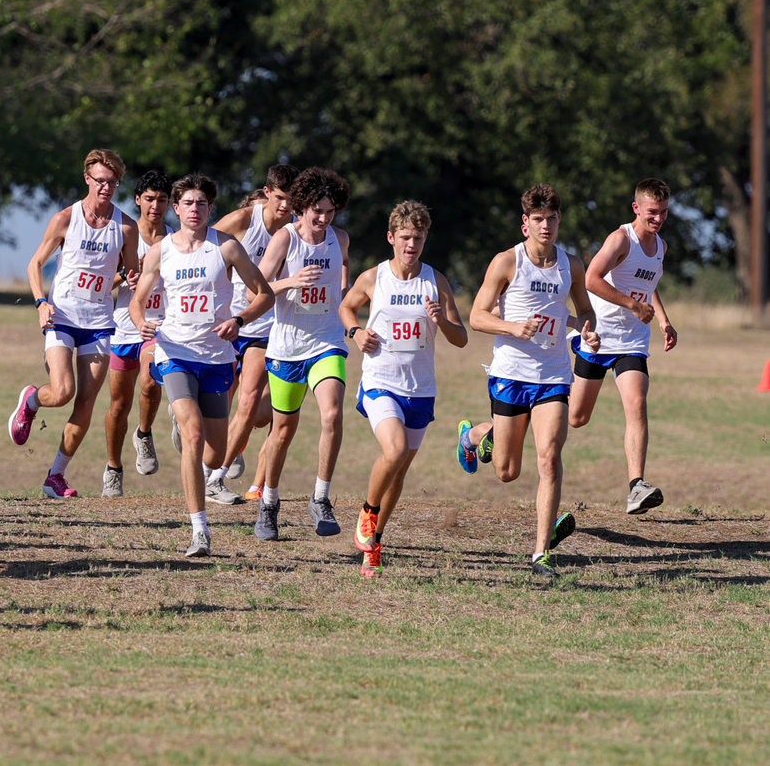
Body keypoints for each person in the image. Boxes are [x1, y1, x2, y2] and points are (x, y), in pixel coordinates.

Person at [456, 184, 599, 578]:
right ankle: (475, 436)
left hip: (553, 376)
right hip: (510, 374)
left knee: (550, 458)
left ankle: (541, 554)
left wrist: (586, 331)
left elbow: (584, 310)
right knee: (506, 470)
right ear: (525, 224)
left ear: (558, 221)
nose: (546, 225)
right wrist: (514, 329)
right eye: (538, 219)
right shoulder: (506, 262)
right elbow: (478, 316)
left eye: (552, 218)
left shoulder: (570, 265)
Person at [130, 173, 274, 556]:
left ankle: (187, 419)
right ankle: (199, 531)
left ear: (211, 209)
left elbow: (265, 294)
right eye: (188, 204)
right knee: (193, 437)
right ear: (176, 209)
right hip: (174, 350)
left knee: (215, 451)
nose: (195, 210)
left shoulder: (226, 247)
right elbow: (137, 300)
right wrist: (141, 320)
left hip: (217, 358)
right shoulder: (161, 251)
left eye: (202, 204)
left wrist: (240, 320)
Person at [339, 201, 468, 577]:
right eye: (406, 237)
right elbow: (346, 308)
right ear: (391, 238)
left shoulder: (436, 281)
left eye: (419, 237)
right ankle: (367, 513)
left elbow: (460, 338)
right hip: (381, 381)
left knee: (398, 472)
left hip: (421, 389)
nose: (412, 244)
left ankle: (374, 544)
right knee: (393, 450)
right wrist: (356, 332)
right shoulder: (374, 277)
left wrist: (441, 320)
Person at [8, 149, 139, 499]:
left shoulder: (126, 227)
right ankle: (32, 401)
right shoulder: (65, 219)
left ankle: (56, 476)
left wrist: (132, 279)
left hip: (99, 322)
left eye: (113, 183)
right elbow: (35, 264)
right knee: (62, 392)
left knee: (86, 402)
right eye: (100, 181)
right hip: (61, 316)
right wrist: (40, 303)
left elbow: (129, 273)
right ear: (87, 179)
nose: (106, 188)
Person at [252, 167, 351, 542]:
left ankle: (321, 498)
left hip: (326, 341)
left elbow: (343, 279)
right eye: (317, 211)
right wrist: (291, 281)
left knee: (332, 414)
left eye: (330, 211)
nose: (323, 218)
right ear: (301, 207)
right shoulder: (285, 239)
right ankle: (269, 503)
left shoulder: (339, 239)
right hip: (286, 347)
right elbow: (255, 290)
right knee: (282, 431)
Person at [567, 179, 677, 514]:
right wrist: (632, 305)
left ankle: (636, 487)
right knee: (574, 417)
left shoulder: (660, 246)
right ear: (636, 209)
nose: (658, 219)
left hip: (632, 341)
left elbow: (649, 283)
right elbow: (591, 279)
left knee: (637, 402)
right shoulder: (621, 239)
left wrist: (662, 320)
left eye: (663, 213)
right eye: (652, 213)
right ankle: (495, 428)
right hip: (598, 338)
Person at [210, 165, 297, 503]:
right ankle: (209, 442)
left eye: (292, 200)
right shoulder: (244, 221)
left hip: (266, 328)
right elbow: (201, 246)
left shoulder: (295, 231)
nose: (286, 206)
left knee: (248, 404)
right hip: (229, 322)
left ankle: (216, 476)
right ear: (266, 192)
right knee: (222, 402)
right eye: (280, 198)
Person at [101, 170, 171, 497]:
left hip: (157, 326)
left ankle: (144, 434)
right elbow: (104, 281)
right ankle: (113, 468)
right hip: (123, 328)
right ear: (138, 200)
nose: (156, 205)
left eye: (162, 199)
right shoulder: (125, 234)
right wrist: (126, 277)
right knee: (118, 405)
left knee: (149, 380)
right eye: (150, 199)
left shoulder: (175, 239)